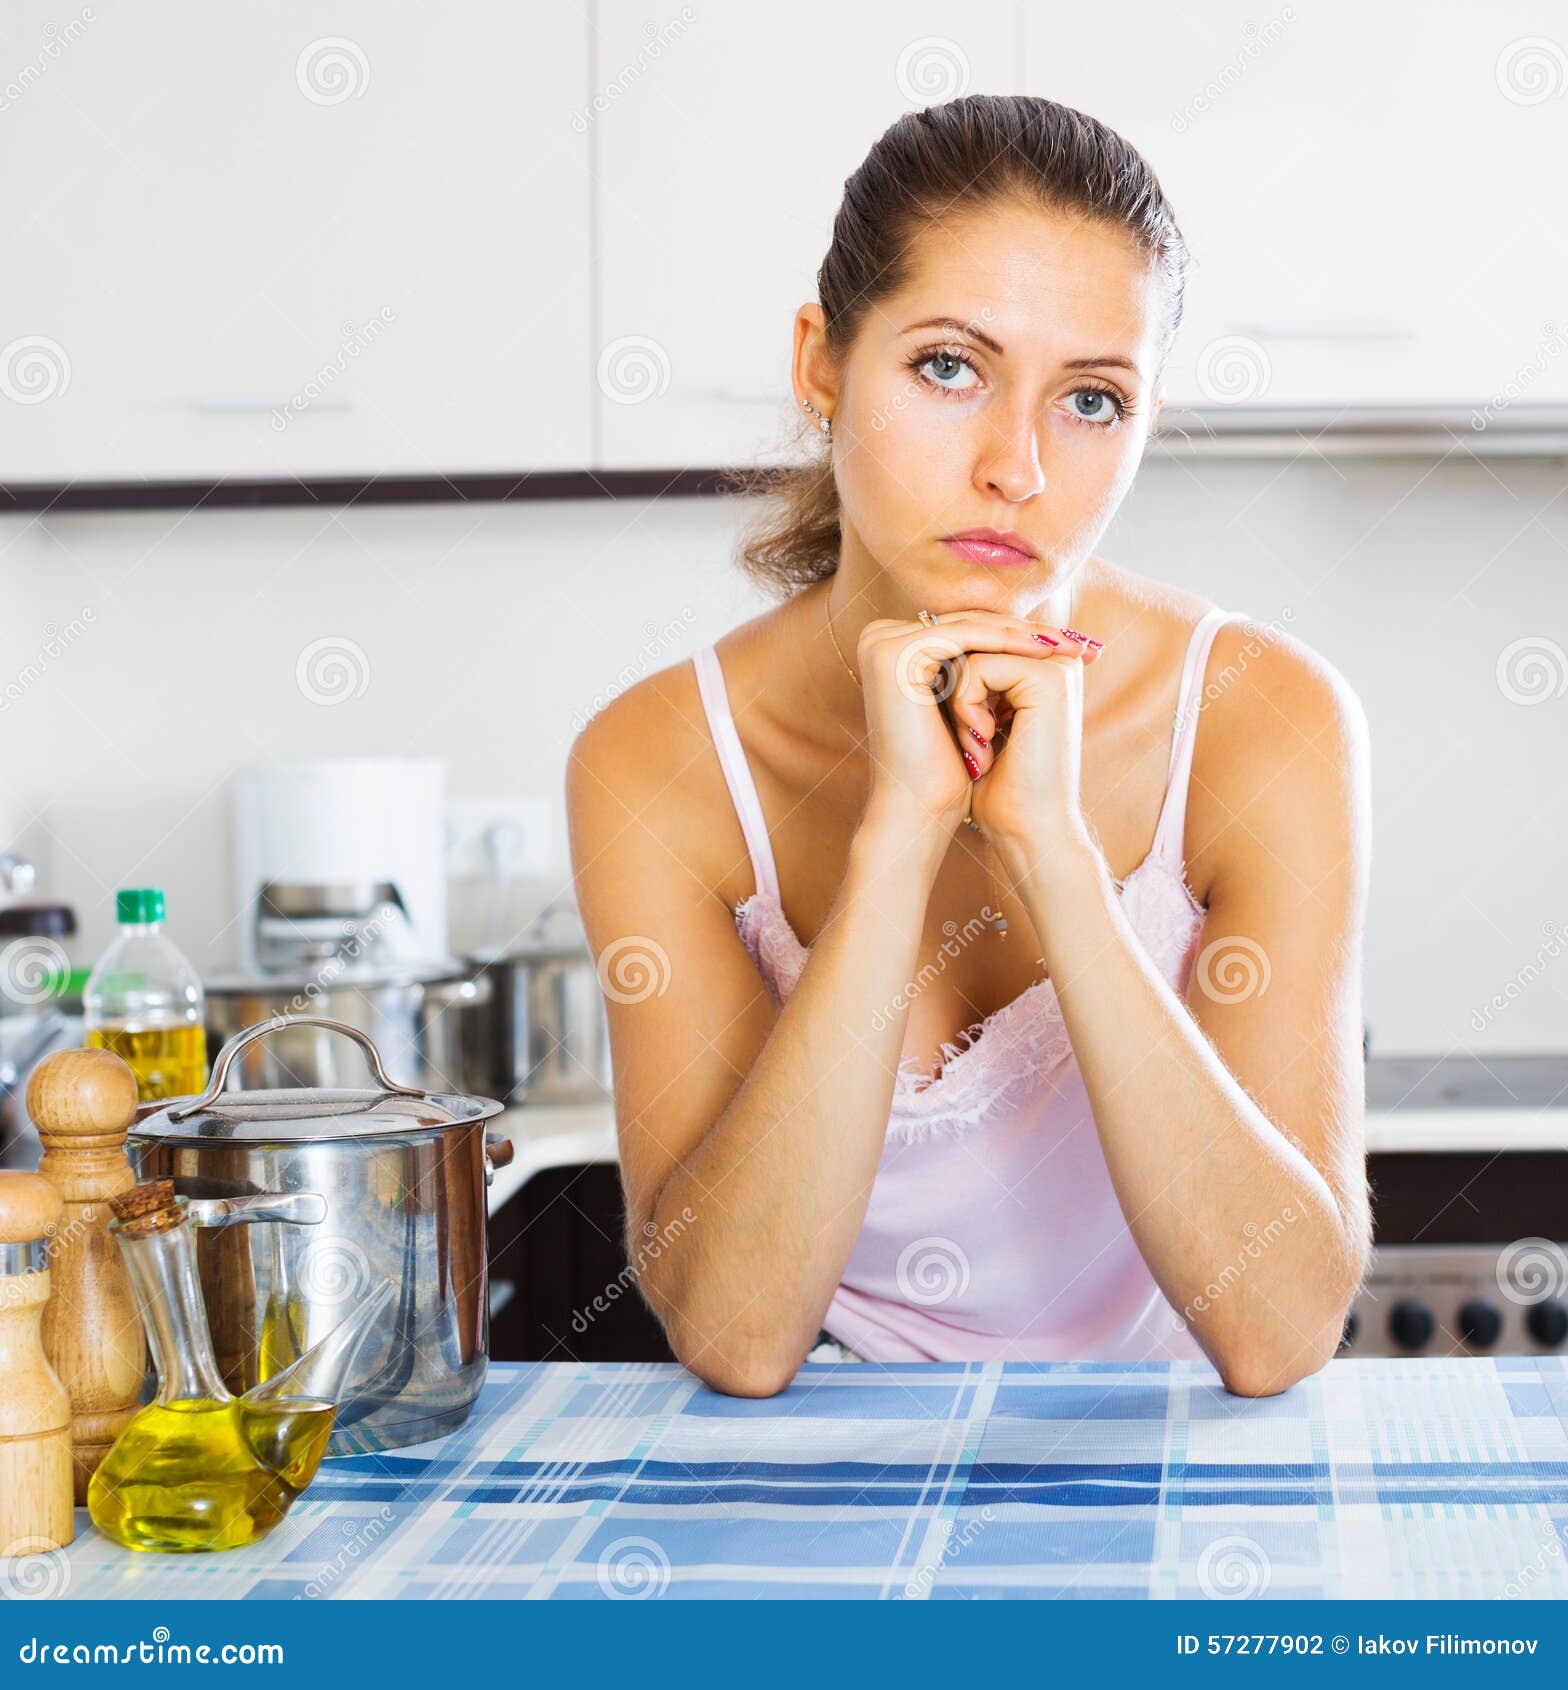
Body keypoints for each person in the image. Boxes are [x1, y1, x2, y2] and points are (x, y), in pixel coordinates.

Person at [567, 93, 1371, 1398]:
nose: (1018, 466)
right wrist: (898, 838)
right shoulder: (659, 758)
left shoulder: (1263, 717)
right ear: (822, 362)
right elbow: (734, 1332)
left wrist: (1055, 857)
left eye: (1093, 399)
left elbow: (1277, 1329)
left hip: (1172, 1487)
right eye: (950, 366)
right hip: (829, 1488)